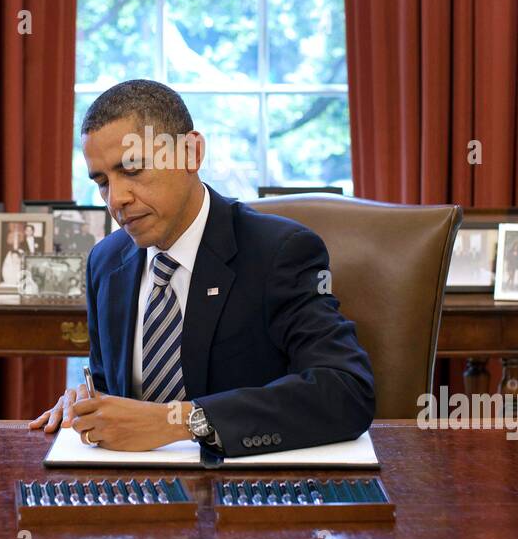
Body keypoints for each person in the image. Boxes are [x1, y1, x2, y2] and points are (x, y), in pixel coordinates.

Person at [28, 79, 374, 456]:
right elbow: (115, 393)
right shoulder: (106, 262)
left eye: (132, 169)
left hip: (249, 492)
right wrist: (88, 405)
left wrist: (177, 422)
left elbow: (346, 391)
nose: (117, 199)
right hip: (132, 489)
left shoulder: (280, 253)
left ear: (191, 153)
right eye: (102, 182)